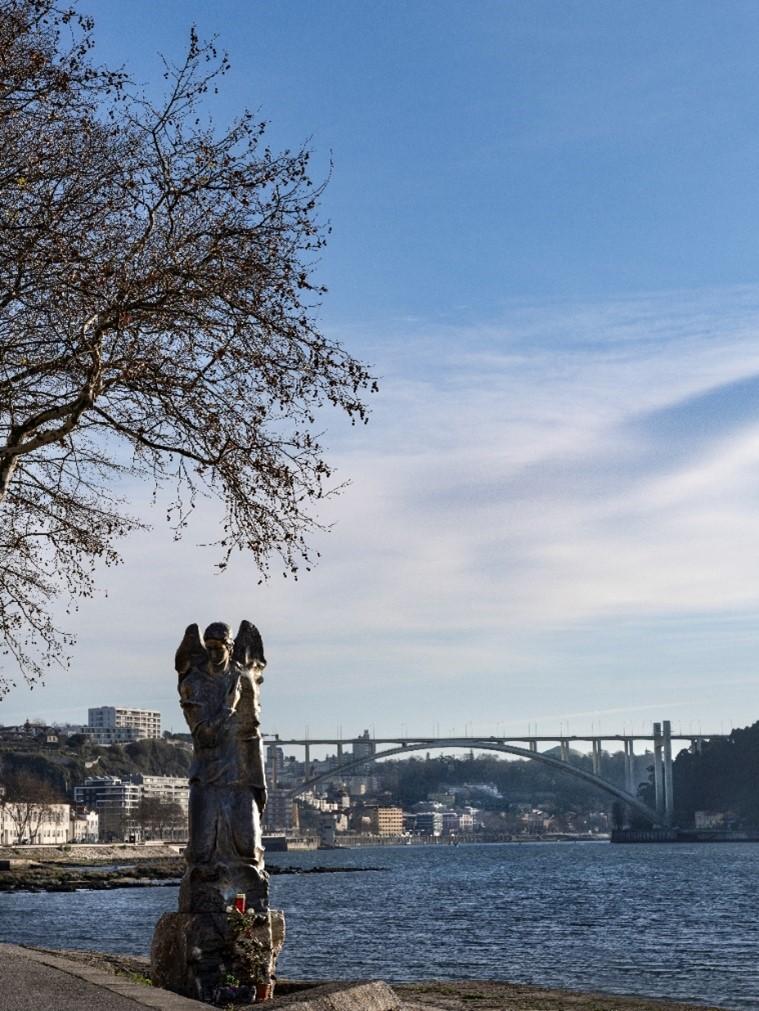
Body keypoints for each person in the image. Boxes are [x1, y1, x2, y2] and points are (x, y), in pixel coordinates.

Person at [175, 620, 268, 912]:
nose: (214, 653)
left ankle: (246, 909)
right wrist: (228, 707)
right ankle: (205, 906)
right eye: (209, 647)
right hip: (207, 774)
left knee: (247, 847)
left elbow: (251, 725)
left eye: (220, 647)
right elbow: (205, 735)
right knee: (201, 852)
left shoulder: (243, 678)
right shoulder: (195, 683)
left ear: (230, 647)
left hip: (240, 772)